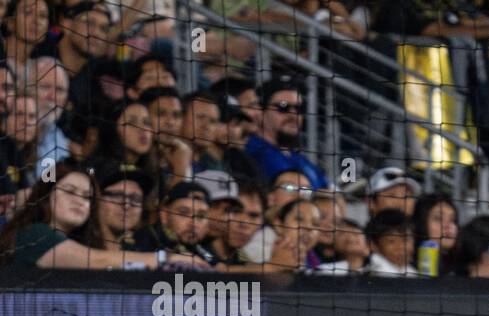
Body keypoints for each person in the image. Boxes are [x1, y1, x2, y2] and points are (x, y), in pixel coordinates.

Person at [0, 160, 203, 268]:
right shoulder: (34, 234)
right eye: (70, 191)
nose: (79, 200)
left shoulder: (80, 243)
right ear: (46, 197)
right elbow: (97, 261)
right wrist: (164, 259)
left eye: (88, 197)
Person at [241, 74, 329, 190]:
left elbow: (327, 189)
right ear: (261, 113)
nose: (293, 115)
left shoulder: (297, 157)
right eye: (283, 107)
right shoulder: (253, 152)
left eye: (298, 109)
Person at [363, 208, 417, 275]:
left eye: (406, 240)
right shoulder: (374, 271)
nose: (401, 247)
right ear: (374, 246)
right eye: (391, 241)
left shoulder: (411, 271)